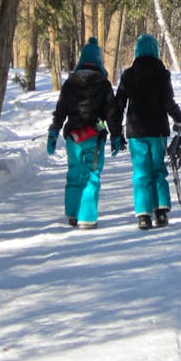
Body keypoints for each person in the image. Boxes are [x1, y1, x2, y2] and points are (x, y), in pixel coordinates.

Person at [47, 37, 125, 229]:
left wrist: (54, 132)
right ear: (99, 60)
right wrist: (116, 135)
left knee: (74, 173)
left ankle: (73, 214)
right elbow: (111, 113)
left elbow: (60, 111)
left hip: (73, 138)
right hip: (94, 137)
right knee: (91, 175)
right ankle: (87, 217)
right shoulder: (103, 84)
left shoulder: (69, 84)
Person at [115, 34, 181, 230]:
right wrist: (179, 118)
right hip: (158, 132)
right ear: (155, 50)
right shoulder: (162, 75)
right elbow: (168, 103)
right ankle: (161, 212)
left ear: (137, 51)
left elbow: (118, 105)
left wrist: (116, 130)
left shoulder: (128, 75)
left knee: (141, 173)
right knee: (158, 171)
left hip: (136, 132)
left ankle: (144, 215)